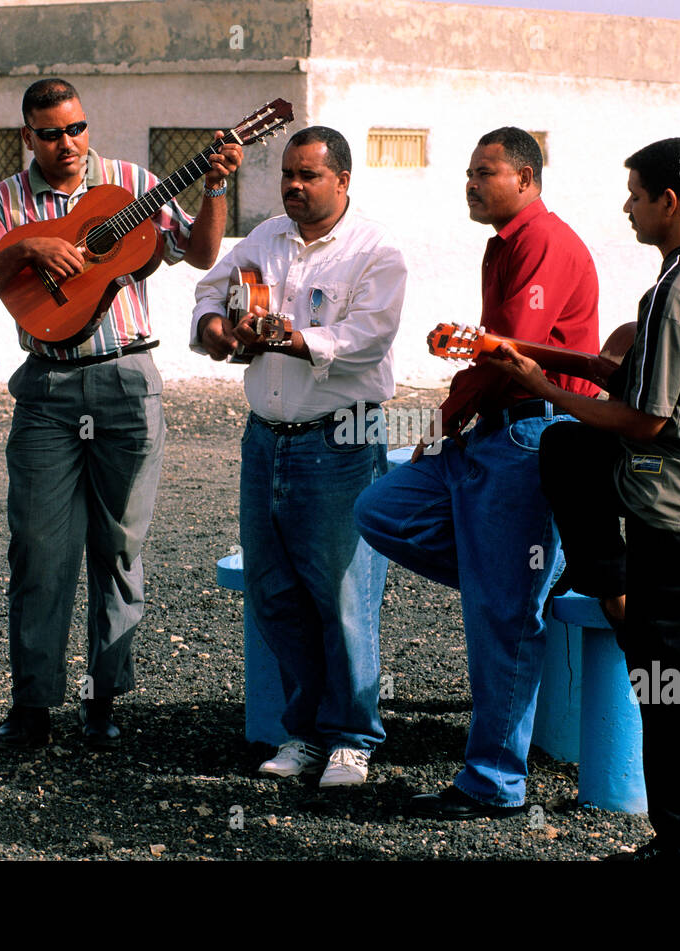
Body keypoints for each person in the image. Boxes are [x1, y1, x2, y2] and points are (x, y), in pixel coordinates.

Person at [501, 137, 680, 860]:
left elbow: (644, 421)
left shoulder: (672, 291)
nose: (625, 207)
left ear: (668, 201)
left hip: (676, 493)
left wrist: (542, 387)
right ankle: (610, 582)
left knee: (667, 680)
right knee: (568, 448)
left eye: (634, 194)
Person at [0, 78, 241, 750]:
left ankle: (103, 702)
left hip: (127, 382)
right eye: (51, 133)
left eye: (77, 127)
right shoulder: (6, 201)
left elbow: (198, 251)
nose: (68, 143)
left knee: (118, 548)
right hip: (47, 390)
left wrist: (216, 186)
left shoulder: (130, 183)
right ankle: (32, 708)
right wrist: (24, 250)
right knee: (40, 550)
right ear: (27, 137)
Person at [354, 127, 598, 817]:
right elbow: (495, 352)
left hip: (524, 435)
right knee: (380, 509)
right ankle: (529, 577)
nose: (470, 182)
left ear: (526, 177)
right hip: (490, 434)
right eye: (468, 171)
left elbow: (510, 354)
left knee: (501, 614)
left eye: (484, 172)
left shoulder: (542, 239)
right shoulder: (506, 243)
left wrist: (444, 417)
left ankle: (495, 783)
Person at [193, 126, 406, 787]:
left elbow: (365, 340)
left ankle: (353, 738)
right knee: (275, 591)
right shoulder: (263, 239)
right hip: (266, 440)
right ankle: (305, 731)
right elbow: (209, 290)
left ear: (342, 181)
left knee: (343, 594)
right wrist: (215, 328)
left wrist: (286, 340)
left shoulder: (377, 252)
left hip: (338, 440)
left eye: (309, 174)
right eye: (287, 173)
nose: (293, 185)